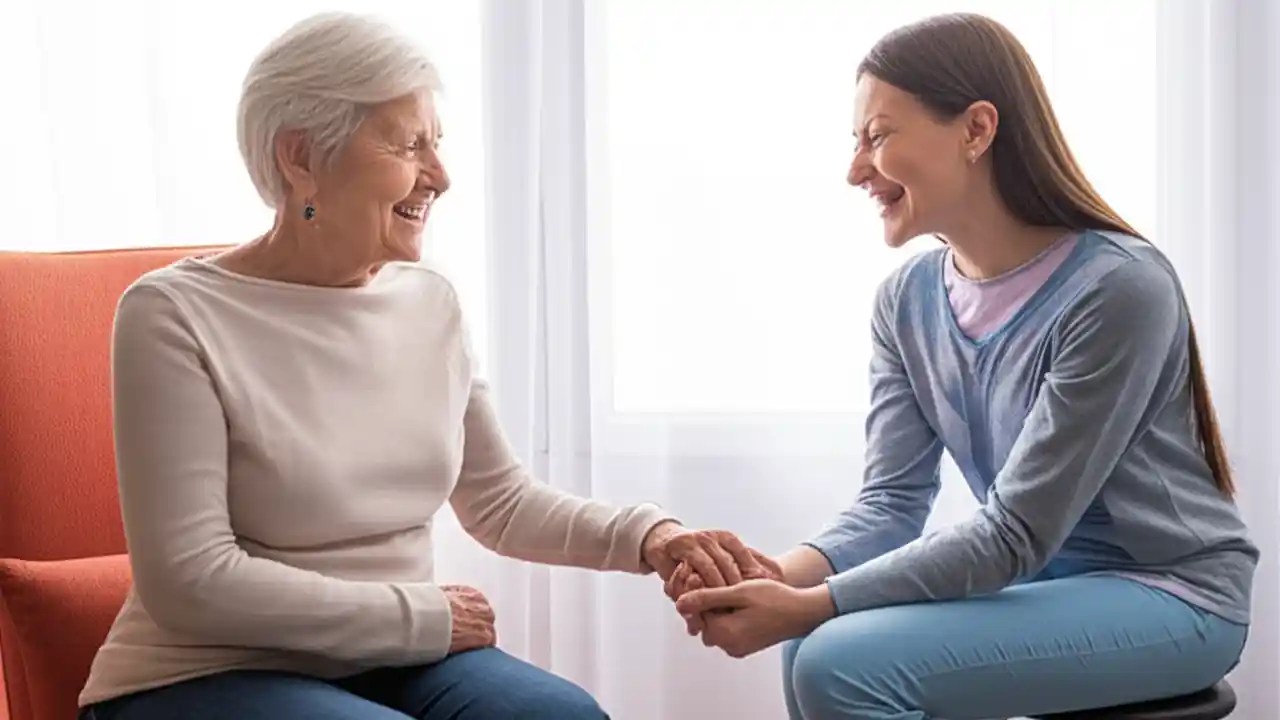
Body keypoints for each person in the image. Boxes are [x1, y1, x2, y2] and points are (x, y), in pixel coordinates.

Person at [77, 12, 766, 720]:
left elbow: (500, 502)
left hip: (395, 663)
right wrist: (422, 618)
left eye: (437, 144)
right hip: (205, 673)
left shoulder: (428, 301)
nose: (440, 175)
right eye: (409, 145)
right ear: (300, 157)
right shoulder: (173, 314)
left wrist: (650, 536)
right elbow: (190, 582)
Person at [667, 13, 1258, 720]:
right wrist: (777, 576)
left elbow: (1013, 535)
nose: (855, 169)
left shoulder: (1118, 288)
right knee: (811, 643)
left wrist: (808, 605)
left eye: (878, 136)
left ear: (976, 130)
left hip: (1174, 597)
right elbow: (891, 504)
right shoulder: (906, 301)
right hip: (1045, 585)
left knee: (836, 662)